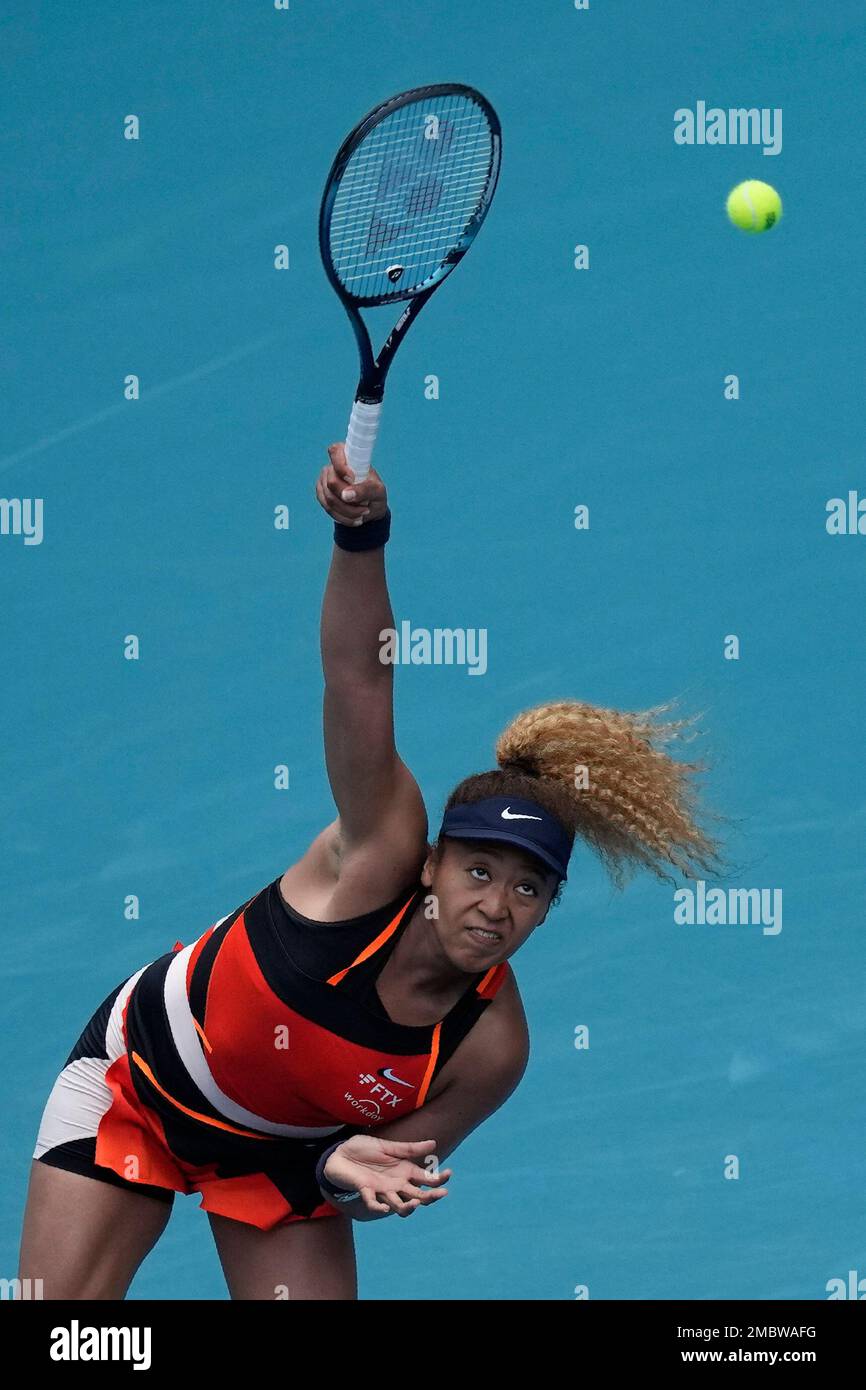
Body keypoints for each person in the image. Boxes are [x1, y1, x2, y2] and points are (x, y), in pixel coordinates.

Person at [17, 443, 721, 1300]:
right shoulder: (378, 851)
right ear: (429, 865)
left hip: (283, 1162)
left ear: (547, 912)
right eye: (478, 871)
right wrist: (363, 538)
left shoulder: (490, 1046)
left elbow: (375, 1188)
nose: (496, 905)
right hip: (143, 1084)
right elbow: (358, 677)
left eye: (528, 889)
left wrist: (342, 1168)